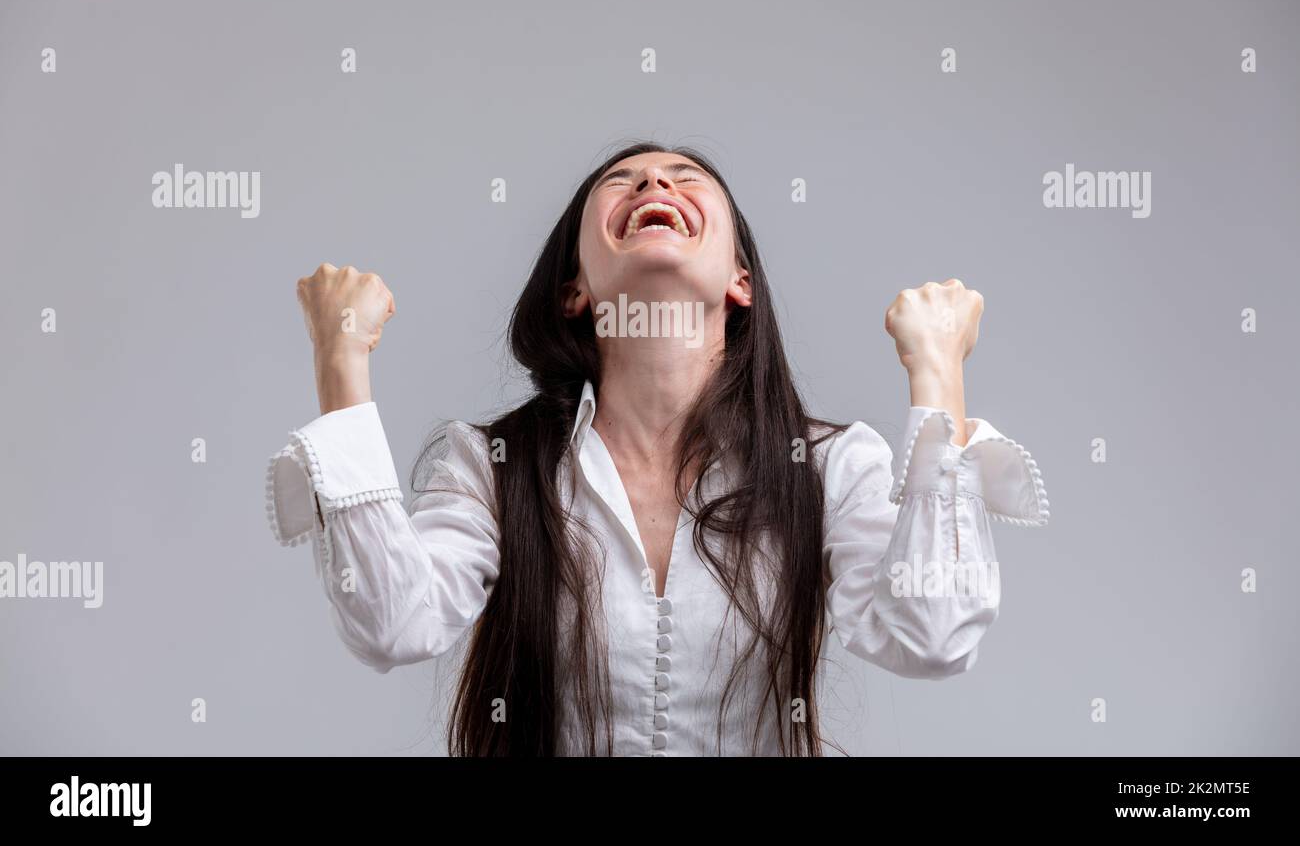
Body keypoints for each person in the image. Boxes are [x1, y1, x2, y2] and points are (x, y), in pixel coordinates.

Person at [265, 141, 1050, 756]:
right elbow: (390, 622)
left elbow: (933, 632)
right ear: (575, 290)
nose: (653, 187)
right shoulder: (491, 466)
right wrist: (343, 359)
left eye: (683, 176)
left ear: (740, 279)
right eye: (625, 181)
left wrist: (937, 372)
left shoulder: (830, 467)